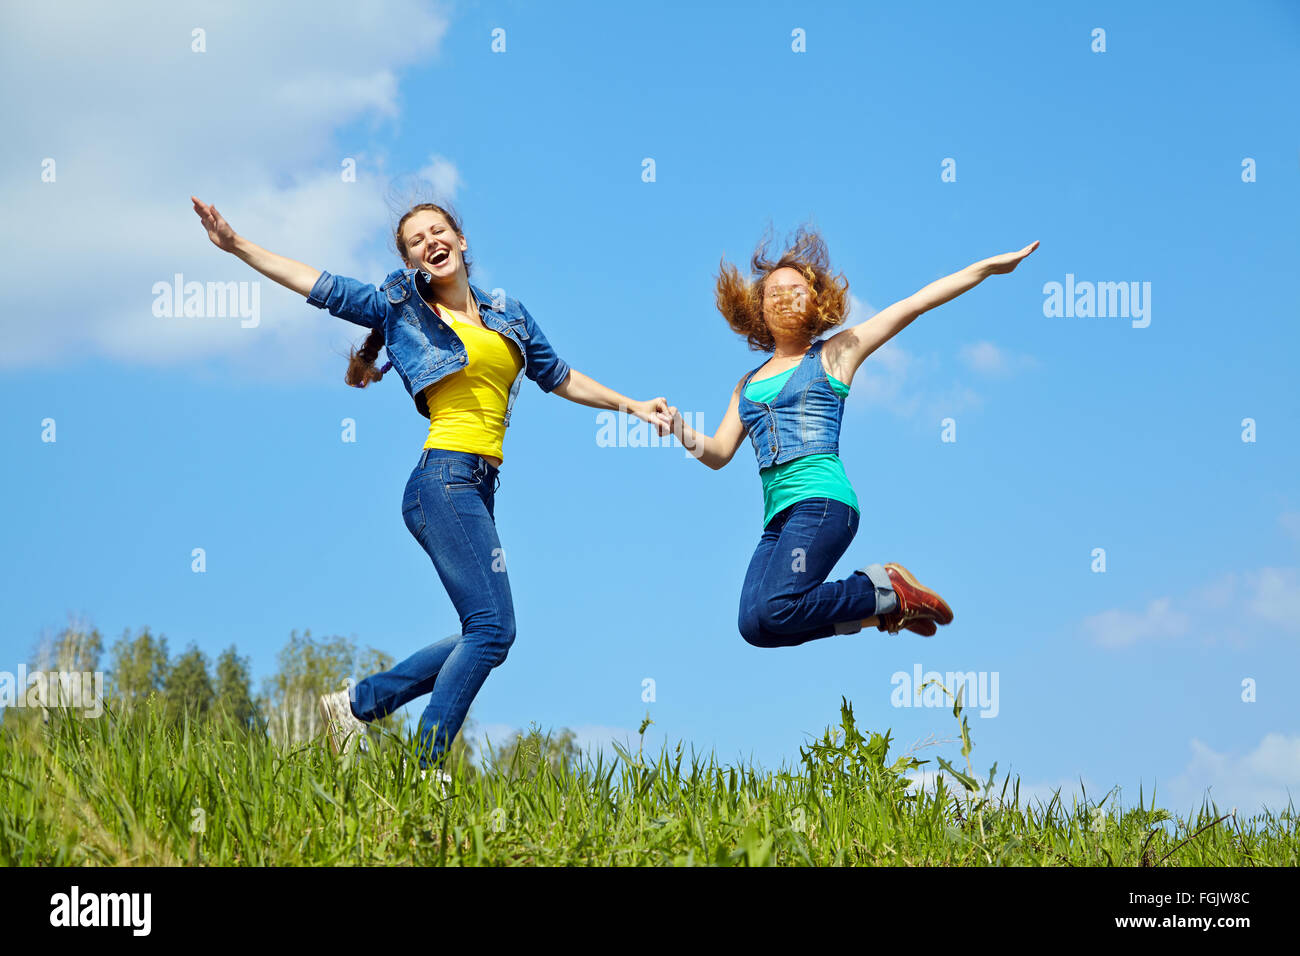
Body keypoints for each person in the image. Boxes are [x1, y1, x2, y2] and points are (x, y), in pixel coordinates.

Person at [191, 196, 670, 781]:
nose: (429, 242)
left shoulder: (509, 313)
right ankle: (427, 767)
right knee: (494, 631)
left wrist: (634, 406)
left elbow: (560, 376)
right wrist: (237, 245)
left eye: (437, 231)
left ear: (461, 241)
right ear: (412, 260)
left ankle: (357, 705)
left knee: (486, 632)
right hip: (442, 480)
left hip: (478, 485)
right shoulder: (401, 307)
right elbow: (318, 284)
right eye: (416, 241)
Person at [666, 227, 1038, 646]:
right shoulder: (746, 385)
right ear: (758, 310)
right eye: (774, 294)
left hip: (822, 504)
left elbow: (912, 305)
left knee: (775, 606)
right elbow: (717, 453)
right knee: (756, 626)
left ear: (814, 301)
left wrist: (986, 268)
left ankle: (884, 587)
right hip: (777, 521)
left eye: (796, 290)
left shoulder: (833, 354)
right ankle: (884, 610)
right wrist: (680, 430)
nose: (785, 298)